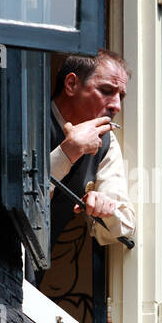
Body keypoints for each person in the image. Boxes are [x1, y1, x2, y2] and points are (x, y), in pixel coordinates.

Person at [49, 49, 137, 251]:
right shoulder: (29, 119)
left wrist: (106, 208)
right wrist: (68, 152)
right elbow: (17, 195)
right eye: (106, 91)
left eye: (120, 96)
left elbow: (125, 226)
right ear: (71, 84)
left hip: (34, 274)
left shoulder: (106, 142)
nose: (116, 106)